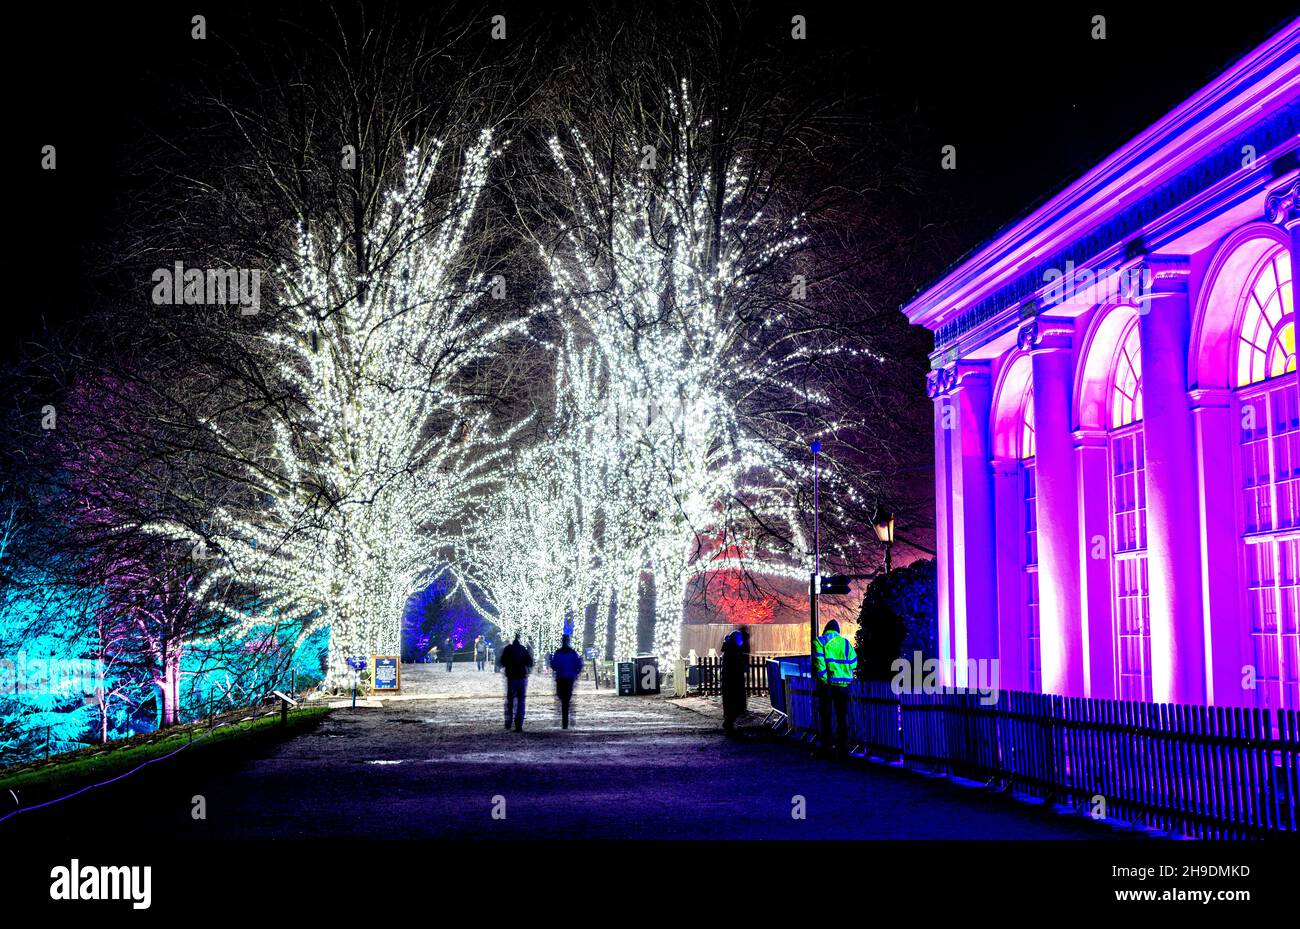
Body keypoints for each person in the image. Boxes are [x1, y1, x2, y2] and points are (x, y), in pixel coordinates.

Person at [813, 619, 858, 758]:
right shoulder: (845, 642)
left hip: (828, 685)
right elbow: (854, 663)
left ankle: (826, 746)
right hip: (844, 686)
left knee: (826, 716)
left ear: (826, 629)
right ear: (838, 630)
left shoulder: (819, 641)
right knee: (841, 716)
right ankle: (842, 747)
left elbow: (819, 666)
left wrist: (824, 681)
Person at [499, 633, 533, 731]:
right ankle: (519, 724)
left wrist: (508, 666)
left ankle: (508, 722)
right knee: (521, 701)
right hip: (522, 677)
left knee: (510, 700)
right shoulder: (523, 649)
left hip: (511, 677)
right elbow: (530, 662)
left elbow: (502, 662)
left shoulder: (508, 649)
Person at [549, 635, 584, 729]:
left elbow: (554, 666)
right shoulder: (573, 653)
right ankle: (567, 720)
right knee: (567, 699)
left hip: (561, 678)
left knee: (562, 697)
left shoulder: (558, 653)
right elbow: (579, 665)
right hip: (569, 678)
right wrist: (576, 673)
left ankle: (565, 721)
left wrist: (551, 661)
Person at [719, 627, 750, 734]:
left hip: (732, 681)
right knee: (734, 703)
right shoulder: (732, 652)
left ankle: (729, 722)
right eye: (739, 638)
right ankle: (729, 723)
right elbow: (734, 667)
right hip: (733, 682)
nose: (741, 640)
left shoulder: (730, 649)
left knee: (732, 704)